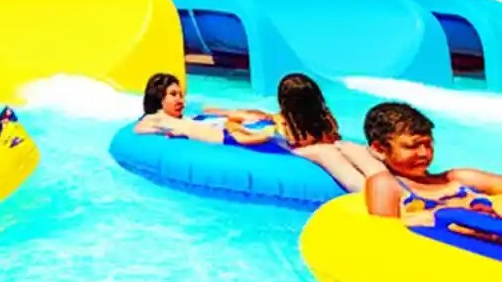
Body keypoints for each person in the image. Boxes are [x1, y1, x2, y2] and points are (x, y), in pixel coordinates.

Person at [206, 73, 386, 191]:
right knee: (341, 148)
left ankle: (366, 189)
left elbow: (244, 139)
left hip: (307, 151)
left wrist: (231, 126)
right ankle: (379, 184)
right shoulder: (325, 118)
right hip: (325, 147)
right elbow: (334, 138)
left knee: (334, 152)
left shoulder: (284, 125)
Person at [363, 101, 502, 231]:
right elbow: (386, 233)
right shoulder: (386, 184)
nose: (424, 153)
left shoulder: (458, 179)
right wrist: (446, 210)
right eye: (413, 146)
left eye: (428, 144)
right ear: (379, 149)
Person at [132, 72, 275, 147]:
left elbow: (212, 111)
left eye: (181, 95)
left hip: (226, 131)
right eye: (173, 95)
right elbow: (139, 128)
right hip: (228, 138)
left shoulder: (187, 114)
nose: (180, 99)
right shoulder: (157, 117)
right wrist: (166, 131)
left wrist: (234, 113)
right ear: (159, 97)